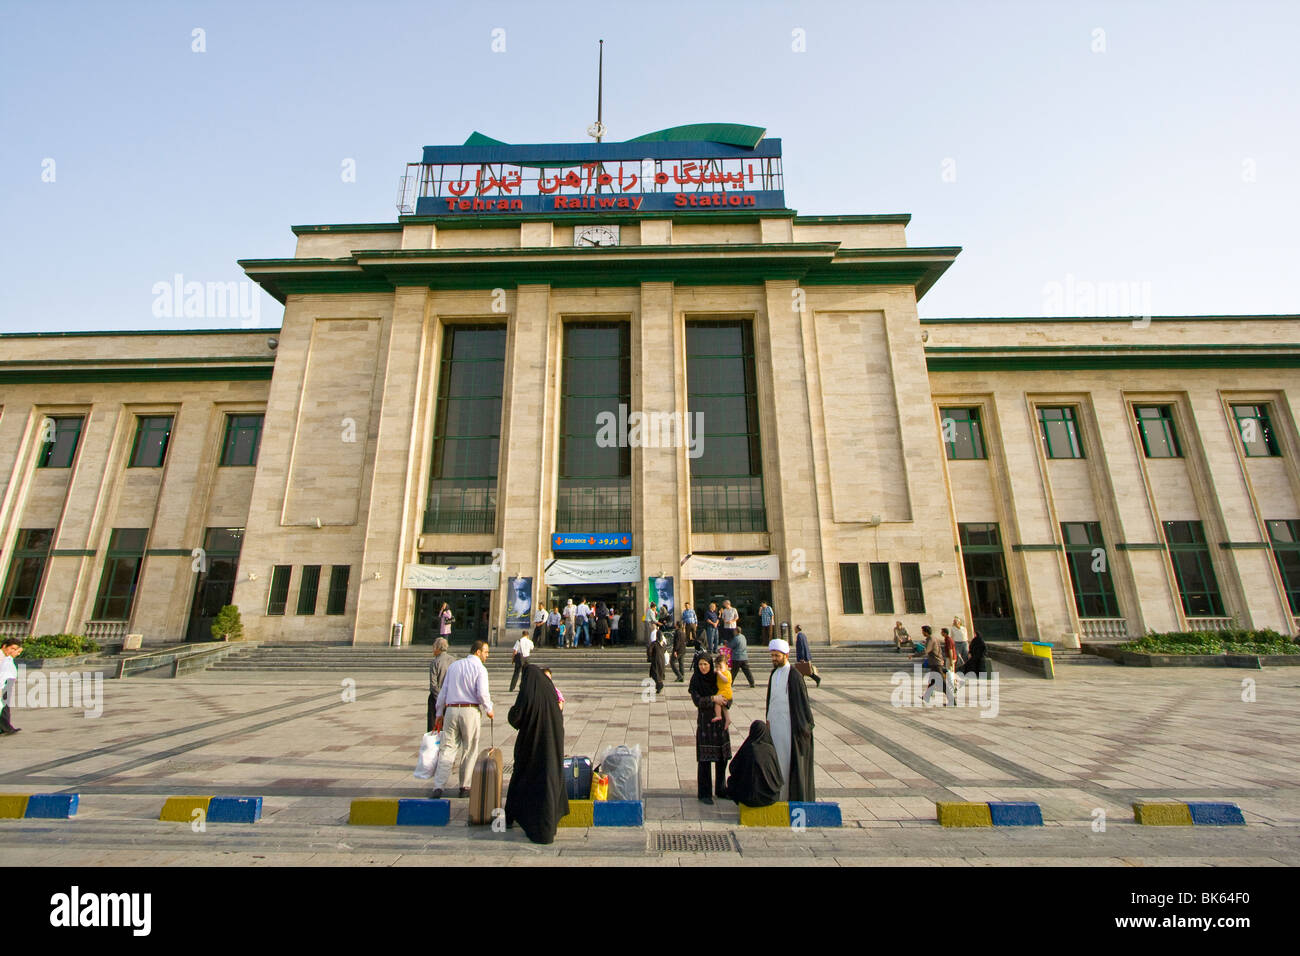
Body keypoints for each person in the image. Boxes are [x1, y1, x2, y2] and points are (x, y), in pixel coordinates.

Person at [504, 663, 567, 845]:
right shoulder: (549, 693)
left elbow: (517, 717)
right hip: (552, 748)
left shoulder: (529, 693)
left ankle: (519, 818)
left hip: (532, 747)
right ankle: (548, 822)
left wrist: (511, 713)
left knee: (525, 778)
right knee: (548, 781)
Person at [430, 639, 494, 799]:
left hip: (451, 710)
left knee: (447, 748)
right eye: (485, 652)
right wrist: (489, 709)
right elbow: (482, 693)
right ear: (478, 652)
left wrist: (439, 713)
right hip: (469, 711)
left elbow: (443, 692)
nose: (487, 655)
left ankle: (438, 786)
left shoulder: (454, 666)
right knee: (469, 749)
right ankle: (464, 786)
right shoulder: (480, 668)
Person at [765, 638, 815, 802]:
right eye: (772, 655)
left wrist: (804, 728)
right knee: (776, 760)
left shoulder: (794, 675)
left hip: (789, 727)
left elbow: (802, 703)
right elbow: (771, 699)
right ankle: (778, 795)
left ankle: (787, 796)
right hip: (775, 726)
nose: (774, 659)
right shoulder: (774, 673)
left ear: (786, 655)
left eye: (777, 656)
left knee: (788, 761)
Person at [688, 653, 731, 804]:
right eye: (700, 664)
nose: (703, 667)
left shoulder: (716, 677)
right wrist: (713, 699)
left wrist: (724, 702)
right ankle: (705, 793)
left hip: (720, 724)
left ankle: (721, 788)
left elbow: (727, 693)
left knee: (722, 758)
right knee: (705, 760)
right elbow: (697, 701)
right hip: (705, 723)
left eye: (706, 664)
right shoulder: (696, 680)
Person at [726, 720, 783, 808]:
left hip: (748, 799)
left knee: (732, 781)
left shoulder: (748, 748)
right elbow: (778, 775)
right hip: (770, 798)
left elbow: (733, 767)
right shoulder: (770, 749)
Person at [426, 637, 453, 733]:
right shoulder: (453, 660)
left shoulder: (435, 662)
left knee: (434, 727)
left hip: (436, 699)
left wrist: (440, 699)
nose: (433, 650)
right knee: (448, 728)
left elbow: (433, 685)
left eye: (434, 647)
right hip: (450, 699)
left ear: (438, 648)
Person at [0, 638, 23, 735]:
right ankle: (6, 728)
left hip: (6, 683)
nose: (13, 651)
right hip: (3, 683)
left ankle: (6, 727)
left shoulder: (5, 657)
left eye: (15, 649)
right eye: (12, 648)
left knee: (4, 705)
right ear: (4, 646)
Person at [920, 625, 948, 705]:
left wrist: (914, 655)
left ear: (925, 632)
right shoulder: (934, 638)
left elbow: (926, 651)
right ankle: (926, 696)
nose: (922, 633)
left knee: (942, 682)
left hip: (936, 664)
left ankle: (952, 700)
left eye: (922, 631)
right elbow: (939, 650)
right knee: (932, 681)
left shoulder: (930, 639)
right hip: (935, 663)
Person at [711, 656, 733, 728]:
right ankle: (727, 719)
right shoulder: (720, 673)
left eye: (720, 667)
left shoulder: (727, 673)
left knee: (717, 702)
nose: (718, 669)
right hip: (722, 691)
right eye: (717, 667)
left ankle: (718, 715)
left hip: (725, 693)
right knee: (724, 708)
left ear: (726, 666)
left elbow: (726, 680)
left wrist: (720, 673)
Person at [510, 628, 533, 692]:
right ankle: (523, 687)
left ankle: (512, 687)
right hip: (527, 657)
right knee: (525, 673)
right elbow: (532, 647)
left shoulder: (519, 641)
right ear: (527, 635)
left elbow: (515, 651)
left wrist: (512, 659)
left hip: (520, 657)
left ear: (522, 635)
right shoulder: (529, 641)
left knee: (516, 673)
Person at [646, 627, 666, 694]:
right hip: (662, 660)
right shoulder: (664, 644)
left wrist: (649, 657)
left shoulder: (654, 644)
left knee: (655, 674)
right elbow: (665, 650)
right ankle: (659, 687)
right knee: (659, 674)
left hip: (656, 660)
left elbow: (649, 650)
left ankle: (659, 685)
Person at [669, 608, 687, 682]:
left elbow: (677, 642)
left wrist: (675, 651)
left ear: (677, 625)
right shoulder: (683, 632)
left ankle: (679, 675)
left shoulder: (677, 632)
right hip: (683, 650)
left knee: (672, 662)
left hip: (678, 650)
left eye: (675, 624)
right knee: (681, 663)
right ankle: (682, 677)